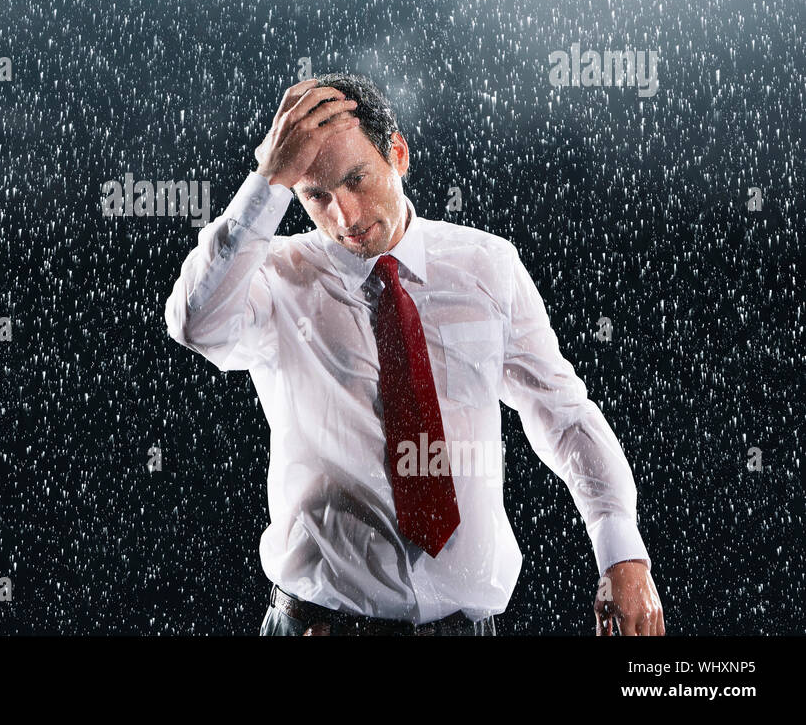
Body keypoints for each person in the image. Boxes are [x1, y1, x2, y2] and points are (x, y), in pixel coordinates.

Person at [164, 74, 665, 636]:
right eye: (316, 195)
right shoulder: (275, 277)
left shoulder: (487, 267)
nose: (345, 217)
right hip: (319, 626)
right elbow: (195, 323)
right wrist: (269, 179)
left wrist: (622, 551)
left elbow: (564, 415)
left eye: (356, 179)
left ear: (397, 153)